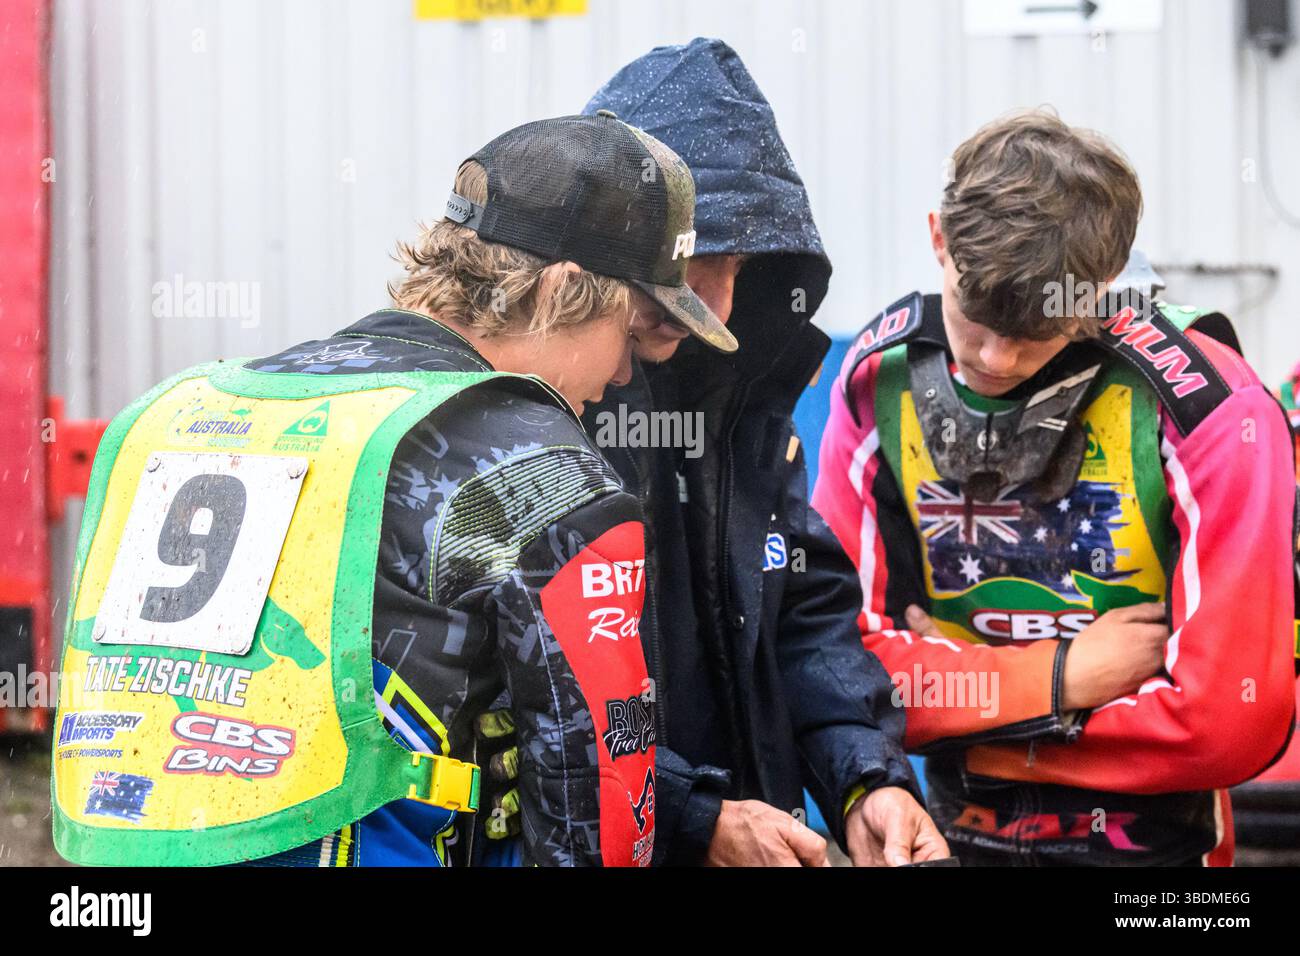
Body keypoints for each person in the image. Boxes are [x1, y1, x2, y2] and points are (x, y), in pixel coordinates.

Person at [50, 113, 726, 867]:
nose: (625, 375)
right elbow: (601, 802)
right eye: (629, 336)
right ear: (563, 289)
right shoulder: (547, 475)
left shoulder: (198, 411)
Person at [479, 38, 949, 867]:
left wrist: (864, 779)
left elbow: (802, 613)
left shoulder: (751, 404)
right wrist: (697, 819)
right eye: (693, 262)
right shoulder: (519, 420)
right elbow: (503, 695)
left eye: (741, 264)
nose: (718, 303)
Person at [813, 109, 1298, 866]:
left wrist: (973, 719)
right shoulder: (880, 381)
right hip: (946, 839)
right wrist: (1068, 677)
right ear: (939, 239)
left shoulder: (1210, 406)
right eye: (977, 317)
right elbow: (840, 668)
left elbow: (1231, 720)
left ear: (1103, 286)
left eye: (1034, 330)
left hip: (1155, 857)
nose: (998, 358)